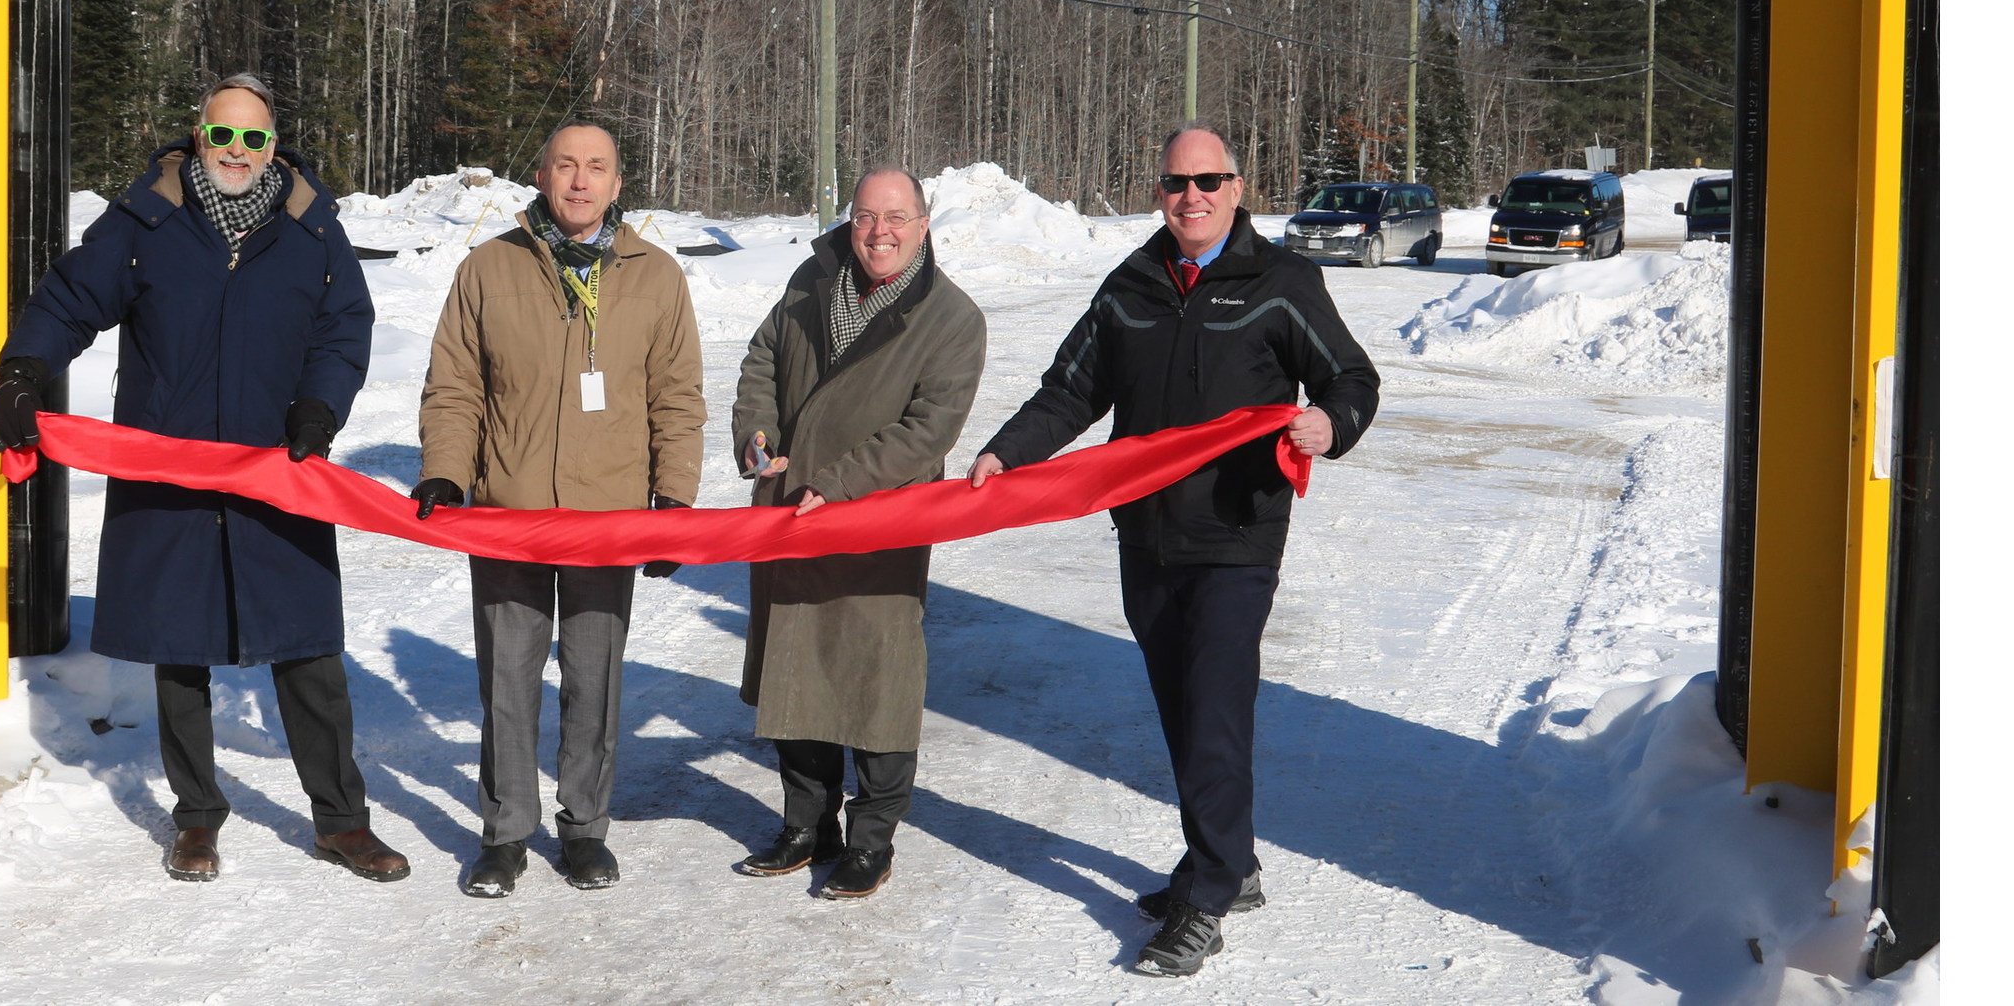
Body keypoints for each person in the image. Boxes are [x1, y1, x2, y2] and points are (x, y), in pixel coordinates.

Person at [968, 123, 1380, 977]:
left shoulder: (1280, 282)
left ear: (1237, 187)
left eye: (1207, 180)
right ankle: (1232, 862)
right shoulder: (1131, 286)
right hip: (1146, 534)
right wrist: (1007, 453)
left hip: (1237, 538)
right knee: (1183, 713)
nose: (1190, 196)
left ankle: (1208, 895)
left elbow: (1352, 377)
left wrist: (1329, 423)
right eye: (1174, 183)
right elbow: (1072, 388)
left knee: (1214, 713)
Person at [0, 74, 410, 887]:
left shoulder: (310, 229)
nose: (237, 153)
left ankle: (343, 822)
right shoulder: (146, 221)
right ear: (198, 136)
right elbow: (71, 300)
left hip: (277, 467)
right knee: (179, 651)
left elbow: (343, 327)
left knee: (308, 650)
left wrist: (318, 411)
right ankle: (196, 820)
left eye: (254, 139)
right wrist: (23, 372)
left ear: (273, 146)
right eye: (224, 136)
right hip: (170, 469)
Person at [415, 123, 706, 898]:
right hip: (510, 509)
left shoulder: (657, 276)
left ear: (618, 184)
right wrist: (446, 474)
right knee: (507, 678)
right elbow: (455, 386)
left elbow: (678, 398)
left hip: (609, 514)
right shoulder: (488, 268)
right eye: (566, 166)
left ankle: (584, 830)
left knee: (594, 676)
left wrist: (673, 499)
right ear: (541, 175)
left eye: (597, 168)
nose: (580, 182)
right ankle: (506, 832)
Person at [729, 168, 986, 899]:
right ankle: (807, 826)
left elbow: (928, 431)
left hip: (878, 521)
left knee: (878, 680)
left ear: (924, 225)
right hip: (788, 513)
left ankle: (873, 839)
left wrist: (837, 483)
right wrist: (756, 436)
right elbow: (762, 361)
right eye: (867, 217)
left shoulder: (952, 317)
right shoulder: (812, 278)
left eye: (896, 217)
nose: (880, 232)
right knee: (796, 672)